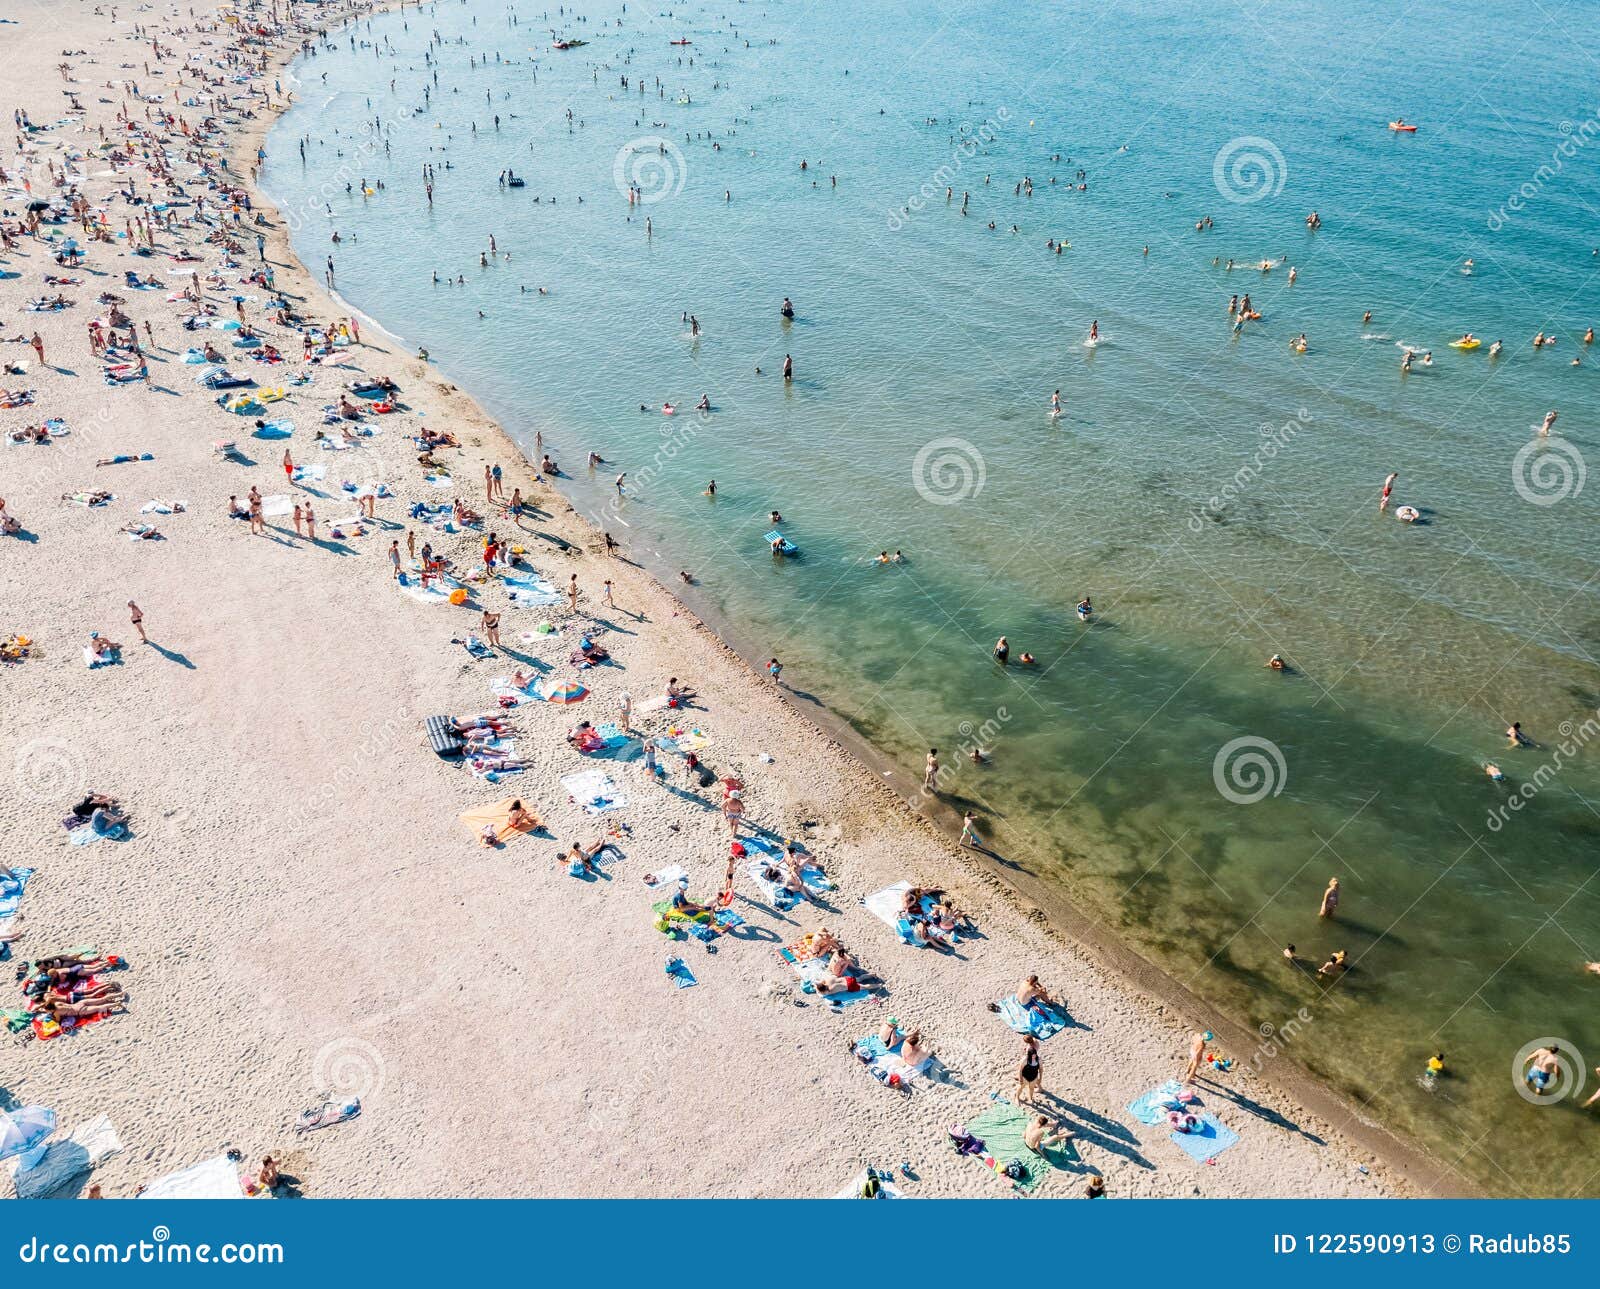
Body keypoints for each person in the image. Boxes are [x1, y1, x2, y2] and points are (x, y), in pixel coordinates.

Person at [1014, 1034, 1043, 1104]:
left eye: (1034, 1054)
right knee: (1021, 1087)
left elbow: (1041, 1069)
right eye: (1032, 1055)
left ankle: (1030, 1098)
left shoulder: (1038, 1059)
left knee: (1031, 1088)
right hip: (1025, 1076)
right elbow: (1020, 1069)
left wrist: (1040, 1078)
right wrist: (1020, 1078)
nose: (1034, 1056)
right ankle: (1017, 1098)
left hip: (1034, 1076)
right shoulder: (1025, 1059)